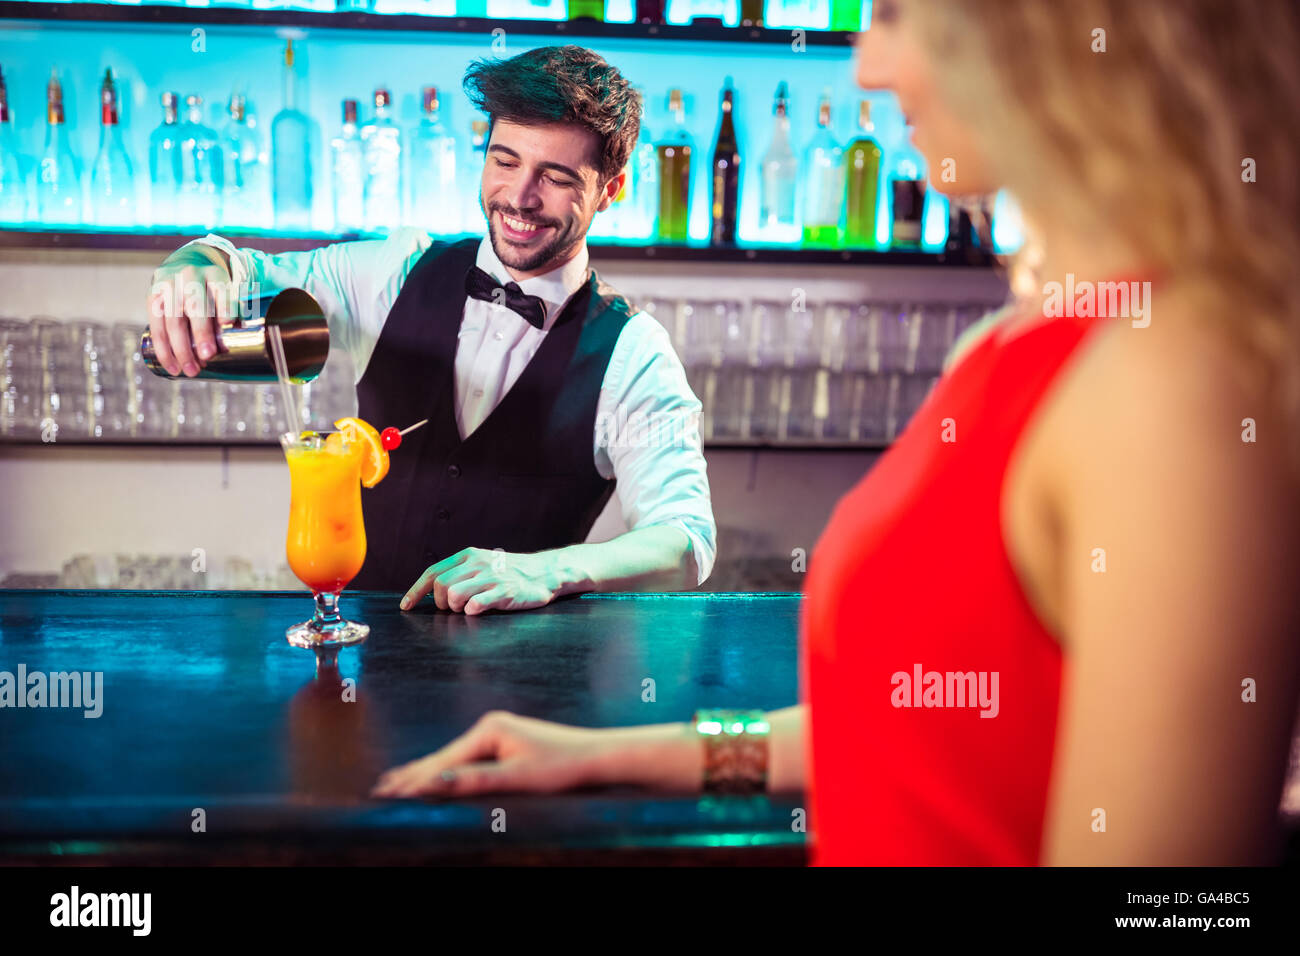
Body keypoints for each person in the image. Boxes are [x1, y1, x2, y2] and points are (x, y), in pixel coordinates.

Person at [371, 0, 1300, 865]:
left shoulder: (1167, 378)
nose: (869, 63)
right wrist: (604, 756)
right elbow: (911, 721)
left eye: (899, 14)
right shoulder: (1022, 340)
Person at [146, 46, 716, 614]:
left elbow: (687, 539)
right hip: (360, 661)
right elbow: (251, 272)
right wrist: (197, 262)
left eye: (556, 177)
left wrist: (552, 569)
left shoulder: (633, 353)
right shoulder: (395, 271)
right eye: (506, 161)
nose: (519, 197)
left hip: (527, 682)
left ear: (610, 190)